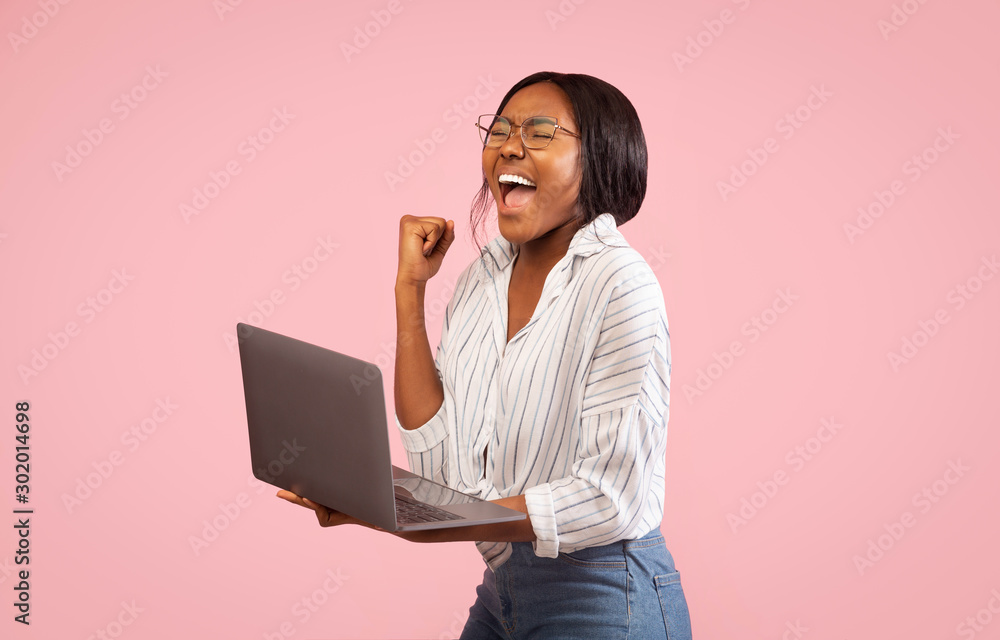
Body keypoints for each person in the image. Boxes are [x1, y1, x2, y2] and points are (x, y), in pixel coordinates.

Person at [278, 71, 692, 639]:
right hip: (505, 588)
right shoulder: (481, 283)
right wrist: (410, 291)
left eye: (541, 132)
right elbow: (444, 469)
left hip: (604, 594)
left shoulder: (620, 285)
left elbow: (609, 498)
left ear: (598, 157)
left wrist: (421, 521)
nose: (510, 146)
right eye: (499, 129)